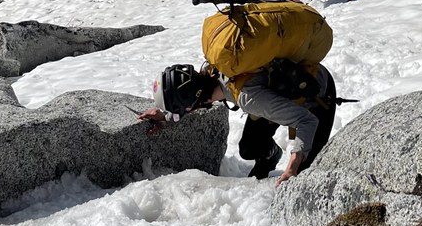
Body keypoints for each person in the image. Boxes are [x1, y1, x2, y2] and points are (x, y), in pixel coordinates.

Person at [139, 60, 337, 185]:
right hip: (276, 91)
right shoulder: (212, 69)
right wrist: (165, 117)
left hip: (314, 95)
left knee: (303, 174)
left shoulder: (248, 98)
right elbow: (196, 99)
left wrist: (293, 167)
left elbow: (305, 120)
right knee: (249, 149)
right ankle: (271, 155)